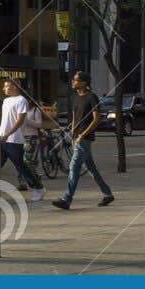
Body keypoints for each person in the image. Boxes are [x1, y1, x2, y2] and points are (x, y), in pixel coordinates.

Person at [51, 71, 114, 210]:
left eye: (76, 80)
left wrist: (82, 135)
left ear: (84, 82)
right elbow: (74, 117)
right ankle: (108, 194)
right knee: (91, 168)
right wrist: (73, 133)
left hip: (85, 139)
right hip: (77, 138)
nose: (73, 82)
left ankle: (66, 199)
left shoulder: (92, 97)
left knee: (74, 168)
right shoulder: (74, 98)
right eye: (73, 80)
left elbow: (96, 119)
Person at [0, 78, 44, 202]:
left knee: (21, 166)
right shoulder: (6, 100)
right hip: (2, 138)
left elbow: (20, 119)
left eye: (6, 86)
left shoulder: (22, 100)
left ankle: (38, 188)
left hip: (14, 139)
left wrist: (8, 133)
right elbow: (4, 120)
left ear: (15, 87)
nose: (4, 89)